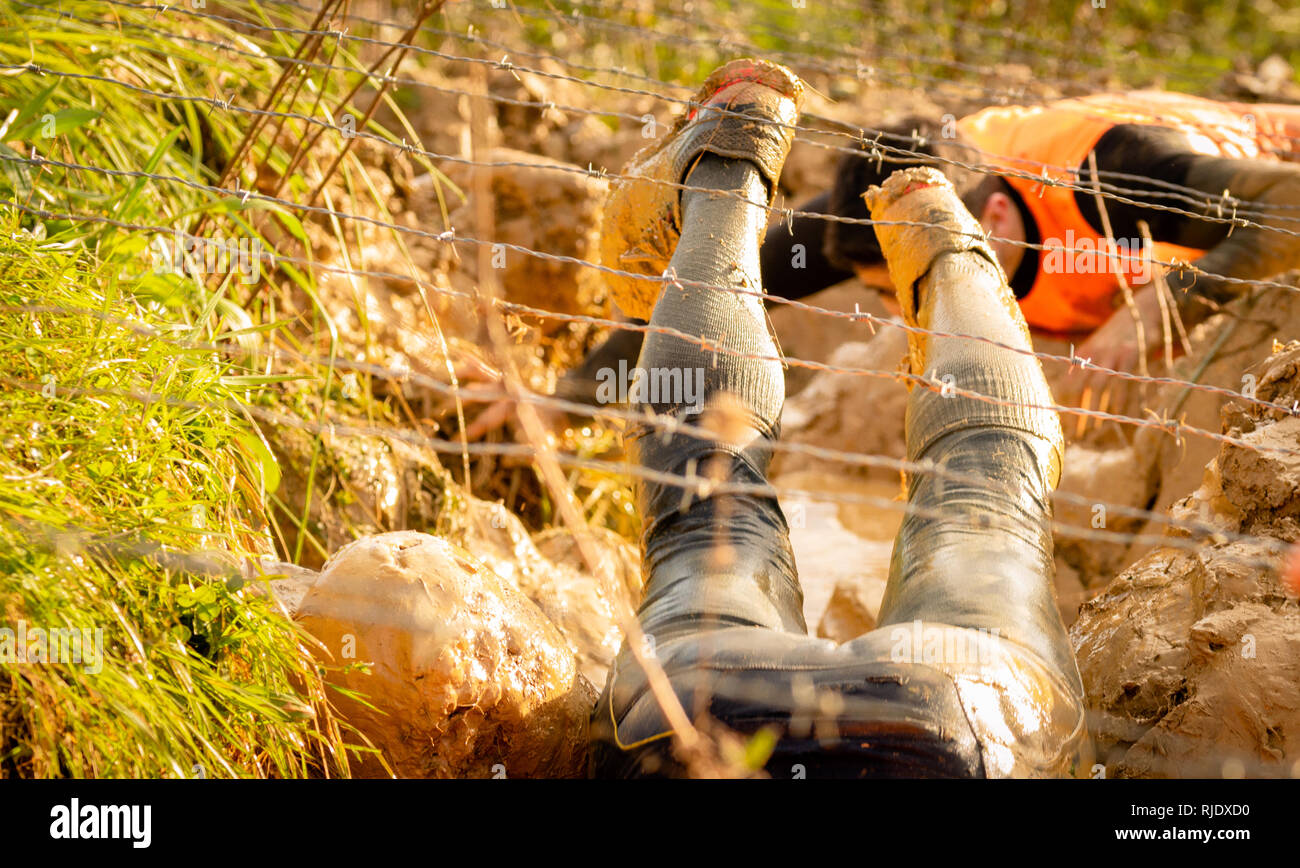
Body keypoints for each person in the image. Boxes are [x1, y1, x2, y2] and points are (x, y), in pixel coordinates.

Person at [590, 59, 1085, 778]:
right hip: (704, 698)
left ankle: (930, 238)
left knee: (988, 511)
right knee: (704, 518)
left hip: (962, 705)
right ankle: (729, 172)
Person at [564, 90, 1300, 412]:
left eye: (912, 286)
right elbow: (717, 289)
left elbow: (1289, 207)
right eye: (886, 294)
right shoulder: (883, 215)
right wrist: (565, 401)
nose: (904, 314)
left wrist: (1154, 313)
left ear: (1000, 216)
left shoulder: (1113, 178)